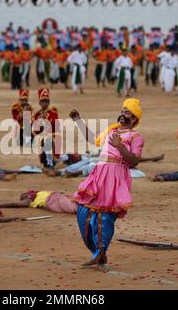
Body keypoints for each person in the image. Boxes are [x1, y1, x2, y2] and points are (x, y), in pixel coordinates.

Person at [70, 98, 144, 269]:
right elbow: (93, 139)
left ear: (133, 119)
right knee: (83, 211)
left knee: (106, 216)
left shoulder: (136, 137)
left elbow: (134, 161)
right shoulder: (112, 130)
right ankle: (97, 251)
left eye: (127, 112)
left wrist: (120, 147)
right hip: (99, 173)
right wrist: (78, 120)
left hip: (115, 176)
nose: (123, 113)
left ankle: (101, 252)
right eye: (123, 110)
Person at [32, 88, 60, 169]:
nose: (45, 103)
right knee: (44, 161)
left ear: (49, 102)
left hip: (53, 137)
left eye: (47, 101)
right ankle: (65, 158)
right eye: (43, 101)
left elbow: (55, 126)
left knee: (48, 141)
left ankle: (50, 163)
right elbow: (36, 131)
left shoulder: (53, 113)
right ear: (40, 103)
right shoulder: (36, 115)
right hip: (41, 139)